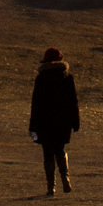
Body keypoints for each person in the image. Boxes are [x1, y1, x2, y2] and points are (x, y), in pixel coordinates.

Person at [29, 48, 80, 195]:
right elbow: (73, 102)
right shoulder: (67, 77)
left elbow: (36, 104)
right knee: (60, 149)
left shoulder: (41, 78)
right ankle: (66, 179)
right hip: (62, 121)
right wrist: (75, 122)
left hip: (44, 122)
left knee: (47, 153)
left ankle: (51, 187)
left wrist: (32, 126)